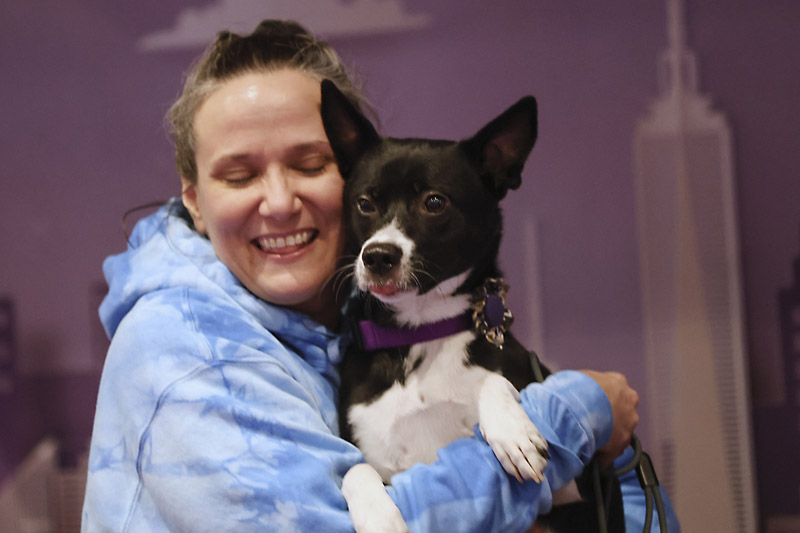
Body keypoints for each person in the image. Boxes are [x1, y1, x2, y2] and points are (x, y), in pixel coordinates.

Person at [81, 20, 674, 532]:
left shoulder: (324, 327)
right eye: (239, 176)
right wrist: (578, 411)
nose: (281, 201)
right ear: (193, 199)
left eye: (310, 164)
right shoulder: (187, 353)